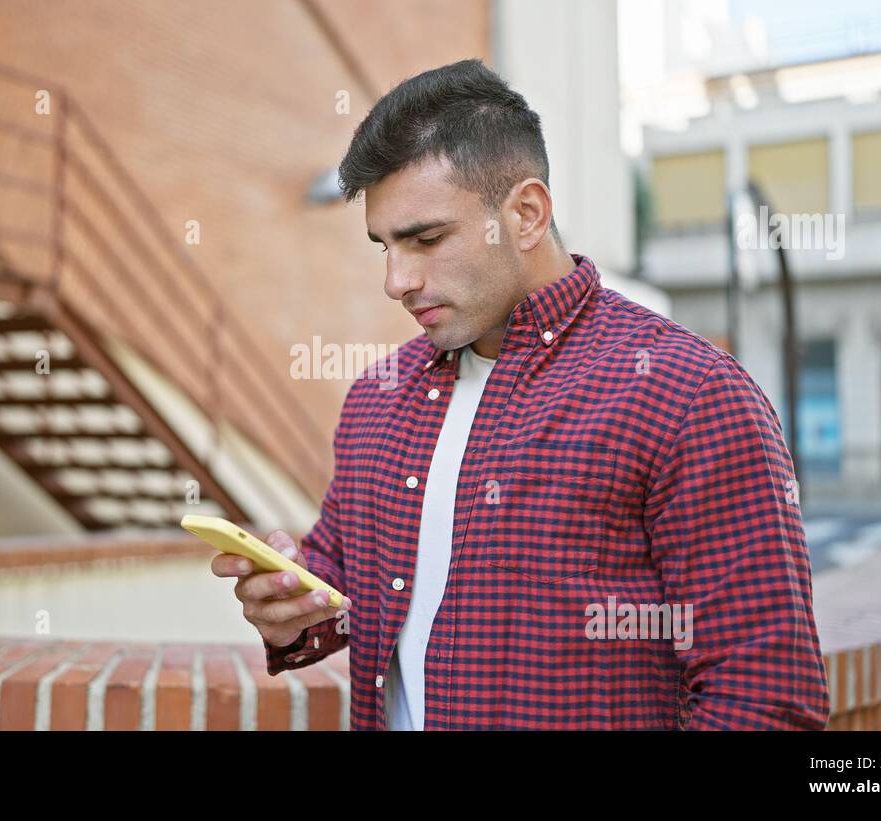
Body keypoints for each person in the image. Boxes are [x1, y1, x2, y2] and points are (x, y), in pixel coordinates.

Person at [211, 58, 830, 730]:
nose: (396, 280)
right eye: (384, 246)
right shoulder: (377, 399)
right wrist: (289, 607)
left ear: (527, 213)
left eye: (425, 238)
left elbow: (766, 697)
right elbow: (344, 586)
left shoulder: (690, 395)